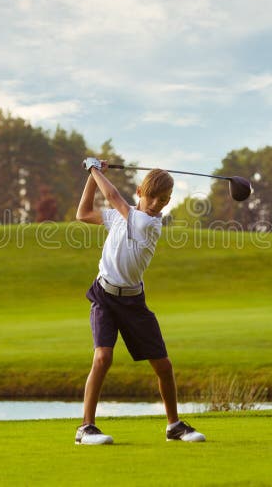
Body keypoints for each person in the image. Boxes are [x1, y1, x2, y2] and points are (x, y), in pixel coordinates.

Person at [73, 157, 206, 445]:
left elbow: (112, 196)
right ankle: (85, 428)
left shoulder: (148, 223)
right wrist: (90, 175)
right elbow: (83, 213)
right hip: (105, 295)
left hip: (133, 302)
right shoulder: (121, 217)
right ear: (140, 193)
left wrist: (94, 168)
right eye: (154, 196)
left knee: (164, 366)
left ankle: (174, 425)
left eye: (165, 199)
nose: (158, 203)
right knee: (102, 357)